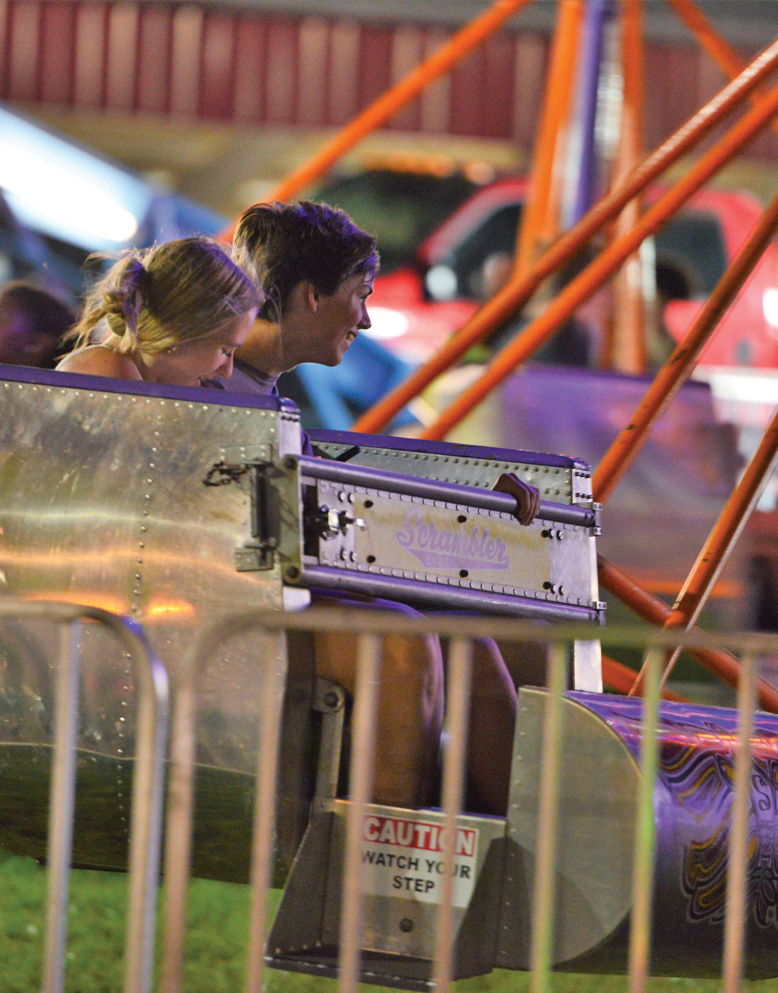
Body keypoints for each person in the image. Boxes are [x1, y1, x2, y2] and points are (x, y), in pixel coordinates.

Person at [231, 201, 539, 814]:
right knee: (403, 642)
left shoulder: (262, 388)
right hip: (225, 604)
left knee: (480, 643)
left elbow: (342, 498)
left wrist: (480, 501)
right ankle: (381, 865)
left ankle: (519, 862)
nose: (367, 320)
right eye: (360, 295)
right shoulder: (207, 376)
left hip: (268, 591)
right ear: (314, 296)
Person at [57, 237, 261, 386]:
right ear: (180, 333)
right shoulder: (110, 371)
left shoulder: (119, 367)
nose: (227, 371)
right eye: (225, 351)